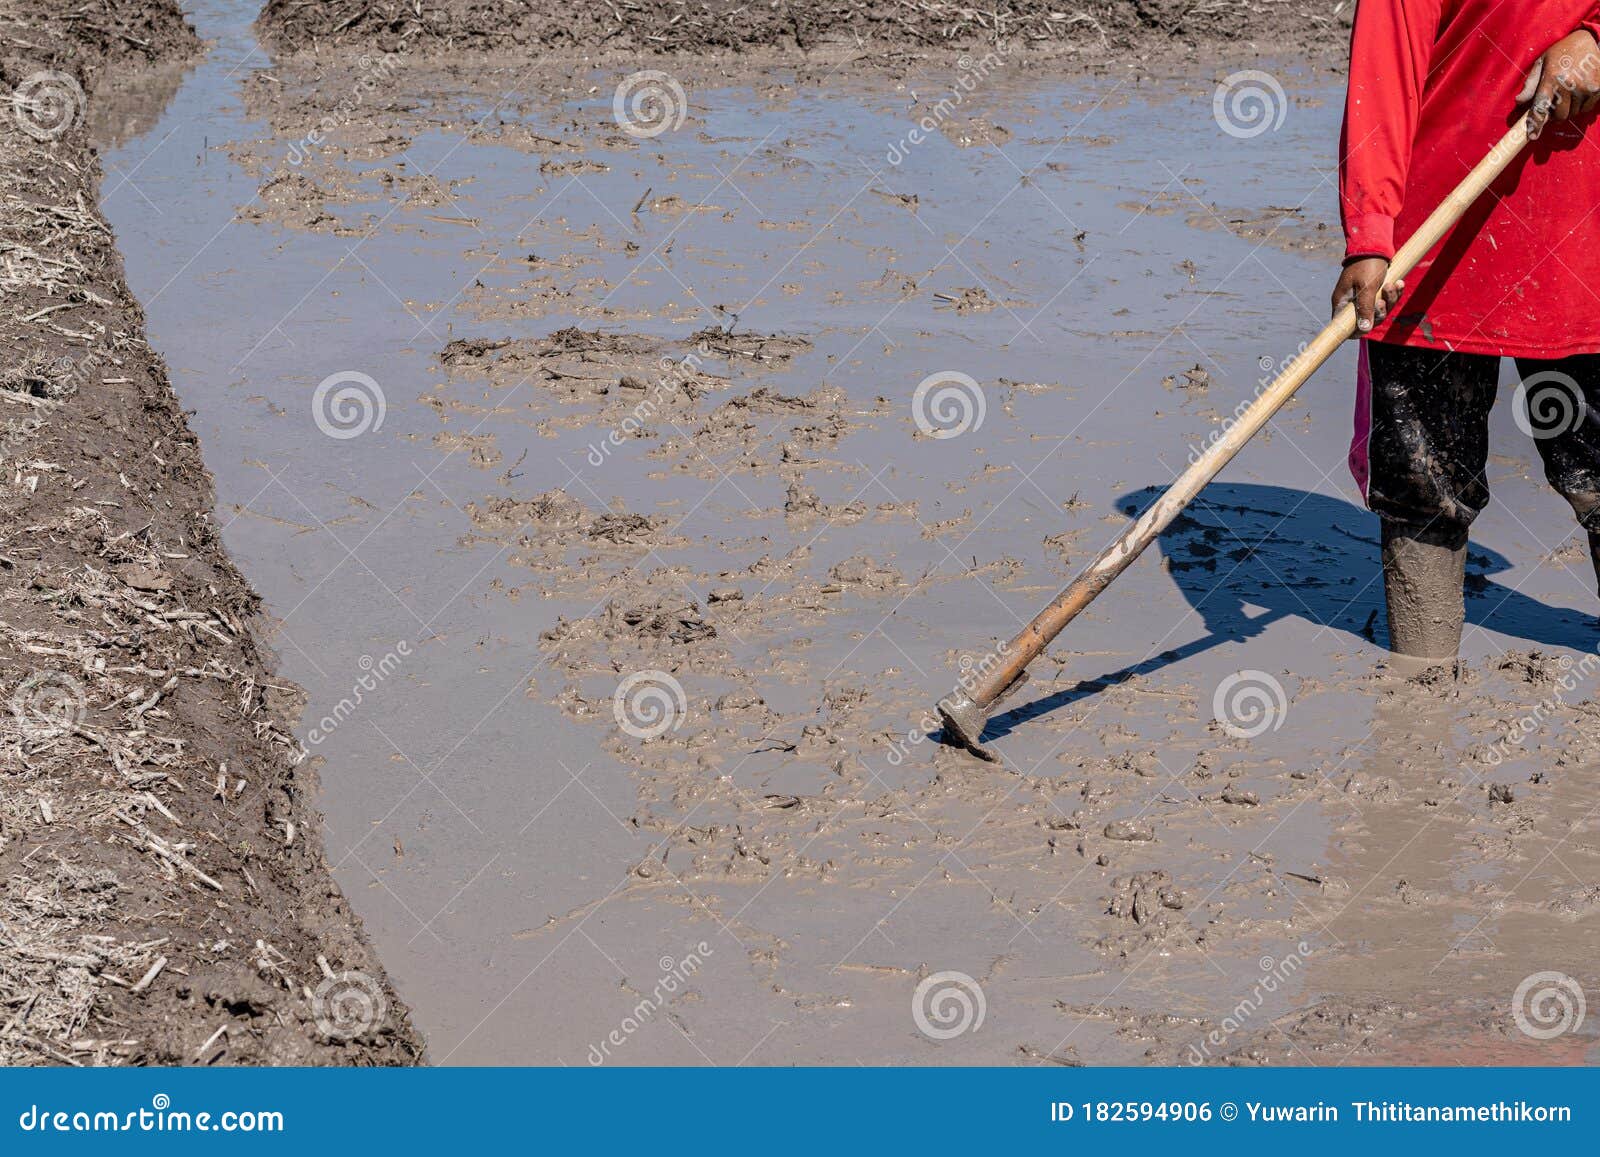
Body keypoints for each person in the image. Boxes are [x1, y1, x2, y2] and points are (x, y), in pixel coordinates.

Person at [1335, 0, 1600, 662]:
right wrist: (1369, 234)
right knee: (1424, 483)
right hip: (1432, 241)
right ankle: (1418, 707)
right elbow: (1384, 72)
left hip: (1584, 236)